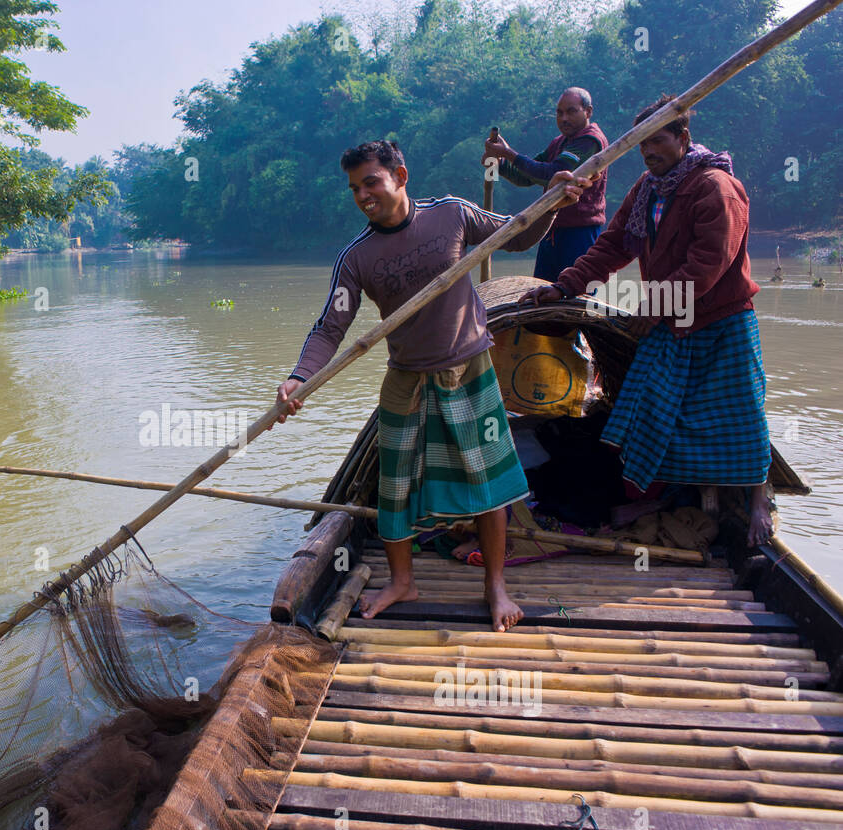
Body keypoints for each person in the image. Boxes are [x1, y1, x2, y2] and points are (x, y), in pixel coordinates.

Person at [273, 140, 589, 631]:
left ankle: (496, 587)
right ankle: (403, 581)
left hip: (471, 369)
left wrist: (553, 202)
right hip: (407, 378)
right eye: (354, 188)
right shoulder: (357, 257)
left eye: (371, 182)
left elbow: (518, 235)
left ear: (400, 175)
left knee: (489, 483)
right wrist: (298, 378)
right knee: (394, 489)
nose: (362, 195)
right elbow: (331, 326)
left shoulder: (452, 215)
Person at [520, 96, 774, 546]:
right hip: (674, 322)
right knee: (653, 413)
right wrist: (566, 285)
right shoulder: (648, 189)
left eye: (658, 141)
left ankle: (758, 500)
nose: (649, 152)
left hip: (722, 319)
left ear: (683, 138)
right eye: (642, 145)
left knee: (742, 416)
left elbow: (709, 262)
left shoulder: (715, 187)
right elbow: (613, 245)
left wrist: (654, 306)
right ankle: (686, 495)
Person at [484, 87, 609, 281]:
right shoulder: (559, 142)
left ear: (588, 112)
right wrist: (497, 163)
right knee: (542, 293)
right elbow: (525, 177)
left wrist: (508, 153)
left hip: (579, 231)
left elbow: (553, 175)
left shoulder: (590, 140)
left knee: (574, 294)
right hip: (551, 228)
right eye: (559, 113)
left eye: (571, 111)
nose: (564, 118)